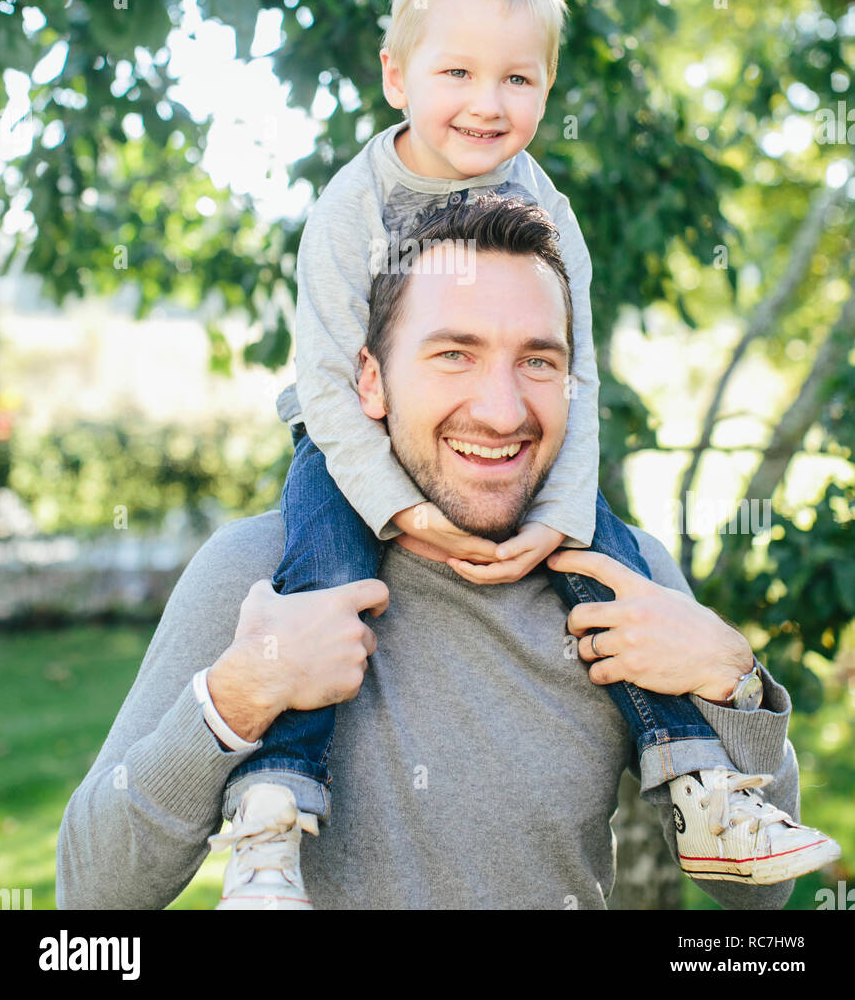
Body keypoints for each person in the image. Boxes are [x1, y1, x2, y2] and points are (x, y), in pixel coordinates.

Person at [205, 0, 838, 907]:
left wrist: (558, 514)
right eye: (455, 71)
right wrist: (404, 517)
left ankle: (700, 781)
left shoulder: (545, 203)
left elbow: (572, 377)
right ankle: (270, 818)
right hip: (344, 449)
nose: (486, 102)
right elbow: (328, 386)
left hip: (539, 480)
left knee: (610, 571)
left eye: (519, 77)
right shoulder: (352, 206)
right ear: (395, 76)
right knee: (324, 580)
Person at [57, 198, 836, 911]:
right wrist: (233, 700)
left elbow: (761, 903)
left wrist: (733, 679)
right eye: (453, 355)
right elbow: (91, 896)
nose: (501, 412)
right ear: (371, 380)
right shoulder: (261, 573)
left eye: (538, 361)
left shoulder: (624, 579)